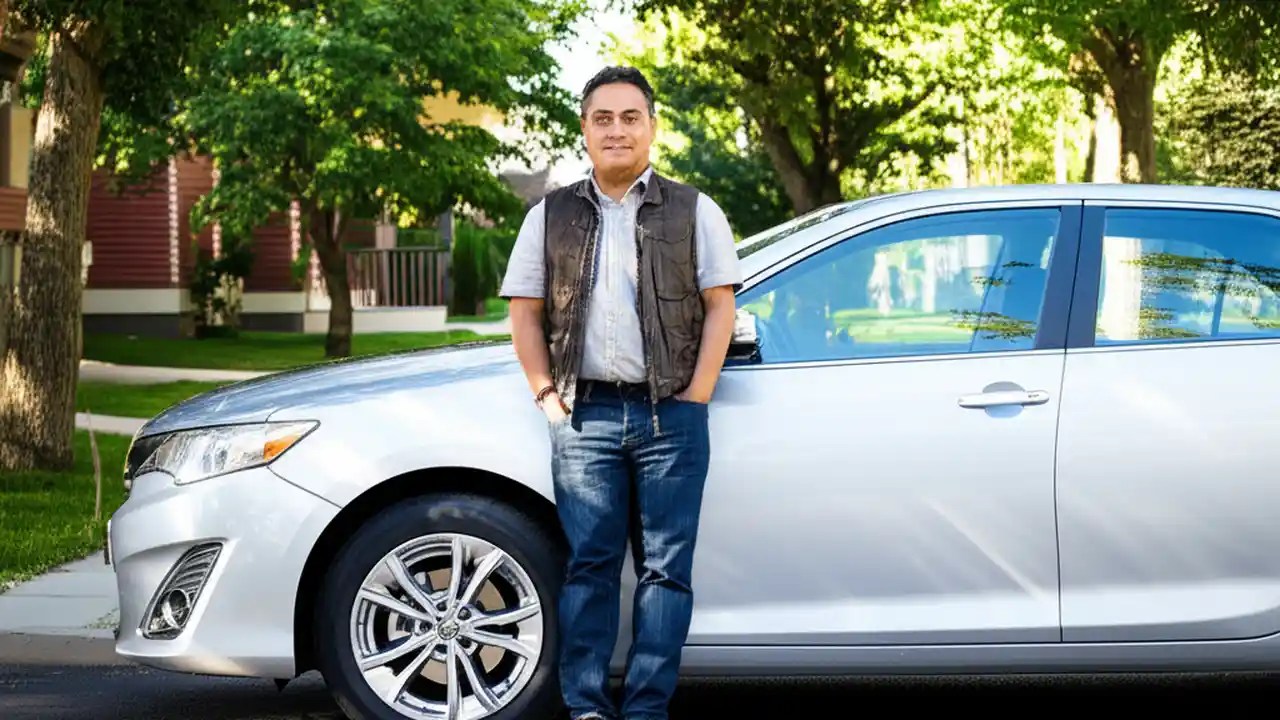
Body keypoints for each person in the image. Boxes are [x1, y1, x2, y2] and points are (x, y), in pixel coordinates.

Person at [499, 65, 743, 720]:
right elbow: (524, 312)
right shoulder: (548, 216)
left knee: (666, 572)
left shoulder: (696, 210)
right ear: (584, 130)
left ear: (652, 128)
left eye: (630, 117)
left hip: (673, 416)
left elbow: (720, 306)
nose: (616, 130)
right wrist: (547, 397)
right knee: (590, 569)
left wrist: (697, 394)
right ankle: (585, 707)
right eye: (602, 118)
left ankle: (644, 709)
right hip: (585, 417)